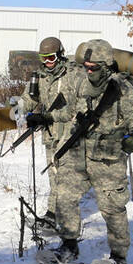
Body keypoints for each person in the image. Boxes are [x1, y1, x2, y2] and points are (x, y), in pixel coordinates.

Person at [34, 39, 133, 264]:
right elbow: (69, 111)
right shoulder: (78, 81)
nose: (88, 70)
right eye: (85, 66)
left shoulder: (121, 88)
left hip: (108, 159)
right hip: (77, 153)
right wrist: (47, 118)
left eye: (93, 67)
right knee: (64, 196)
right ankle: (68, 245)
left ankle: (118, 256)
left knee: (112, 208)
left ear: (106, 66)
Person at [21, 37, 80, 231]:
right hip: (50, 134)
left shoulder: (72, 73)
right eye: (43, 58)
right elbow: (29, 99)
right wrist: (16, 109)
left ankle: (57, 216)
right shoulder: (40, 76)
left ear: (60, 54)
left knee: (63, 177)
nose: (47, 62)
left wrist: (49, 116)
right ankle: (53, 214)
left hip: (69, 133)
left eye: (51, 57)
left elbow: (76, 105)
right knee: (53, 175)